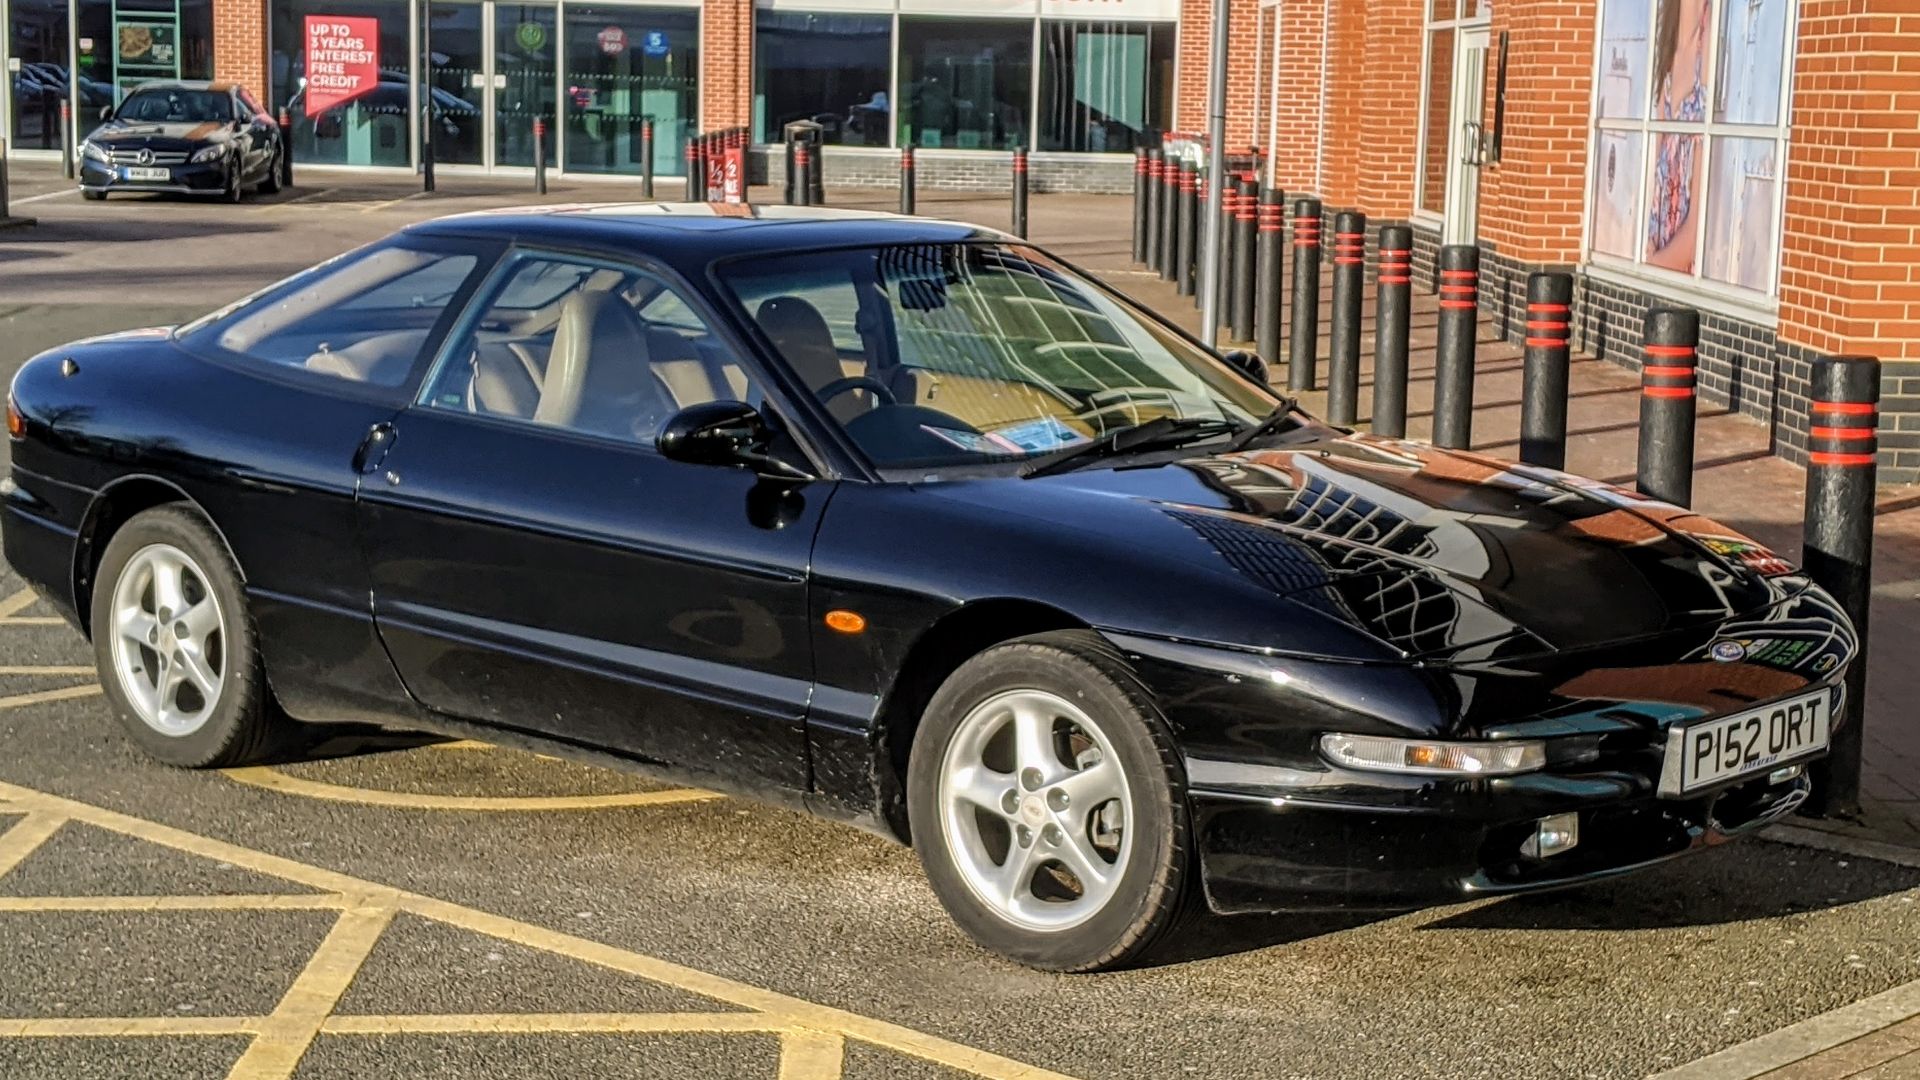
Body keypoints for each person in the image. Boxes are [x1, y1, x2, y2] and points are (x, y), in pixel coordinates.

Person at [1645, 0, 1710, 272]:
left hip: (1680, 268)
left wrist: (1654, 265)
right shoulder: (1667, 53)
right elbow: (1651, 180)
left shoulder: (1709, 46)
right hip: (1657, 249)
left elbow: (1700, 223)